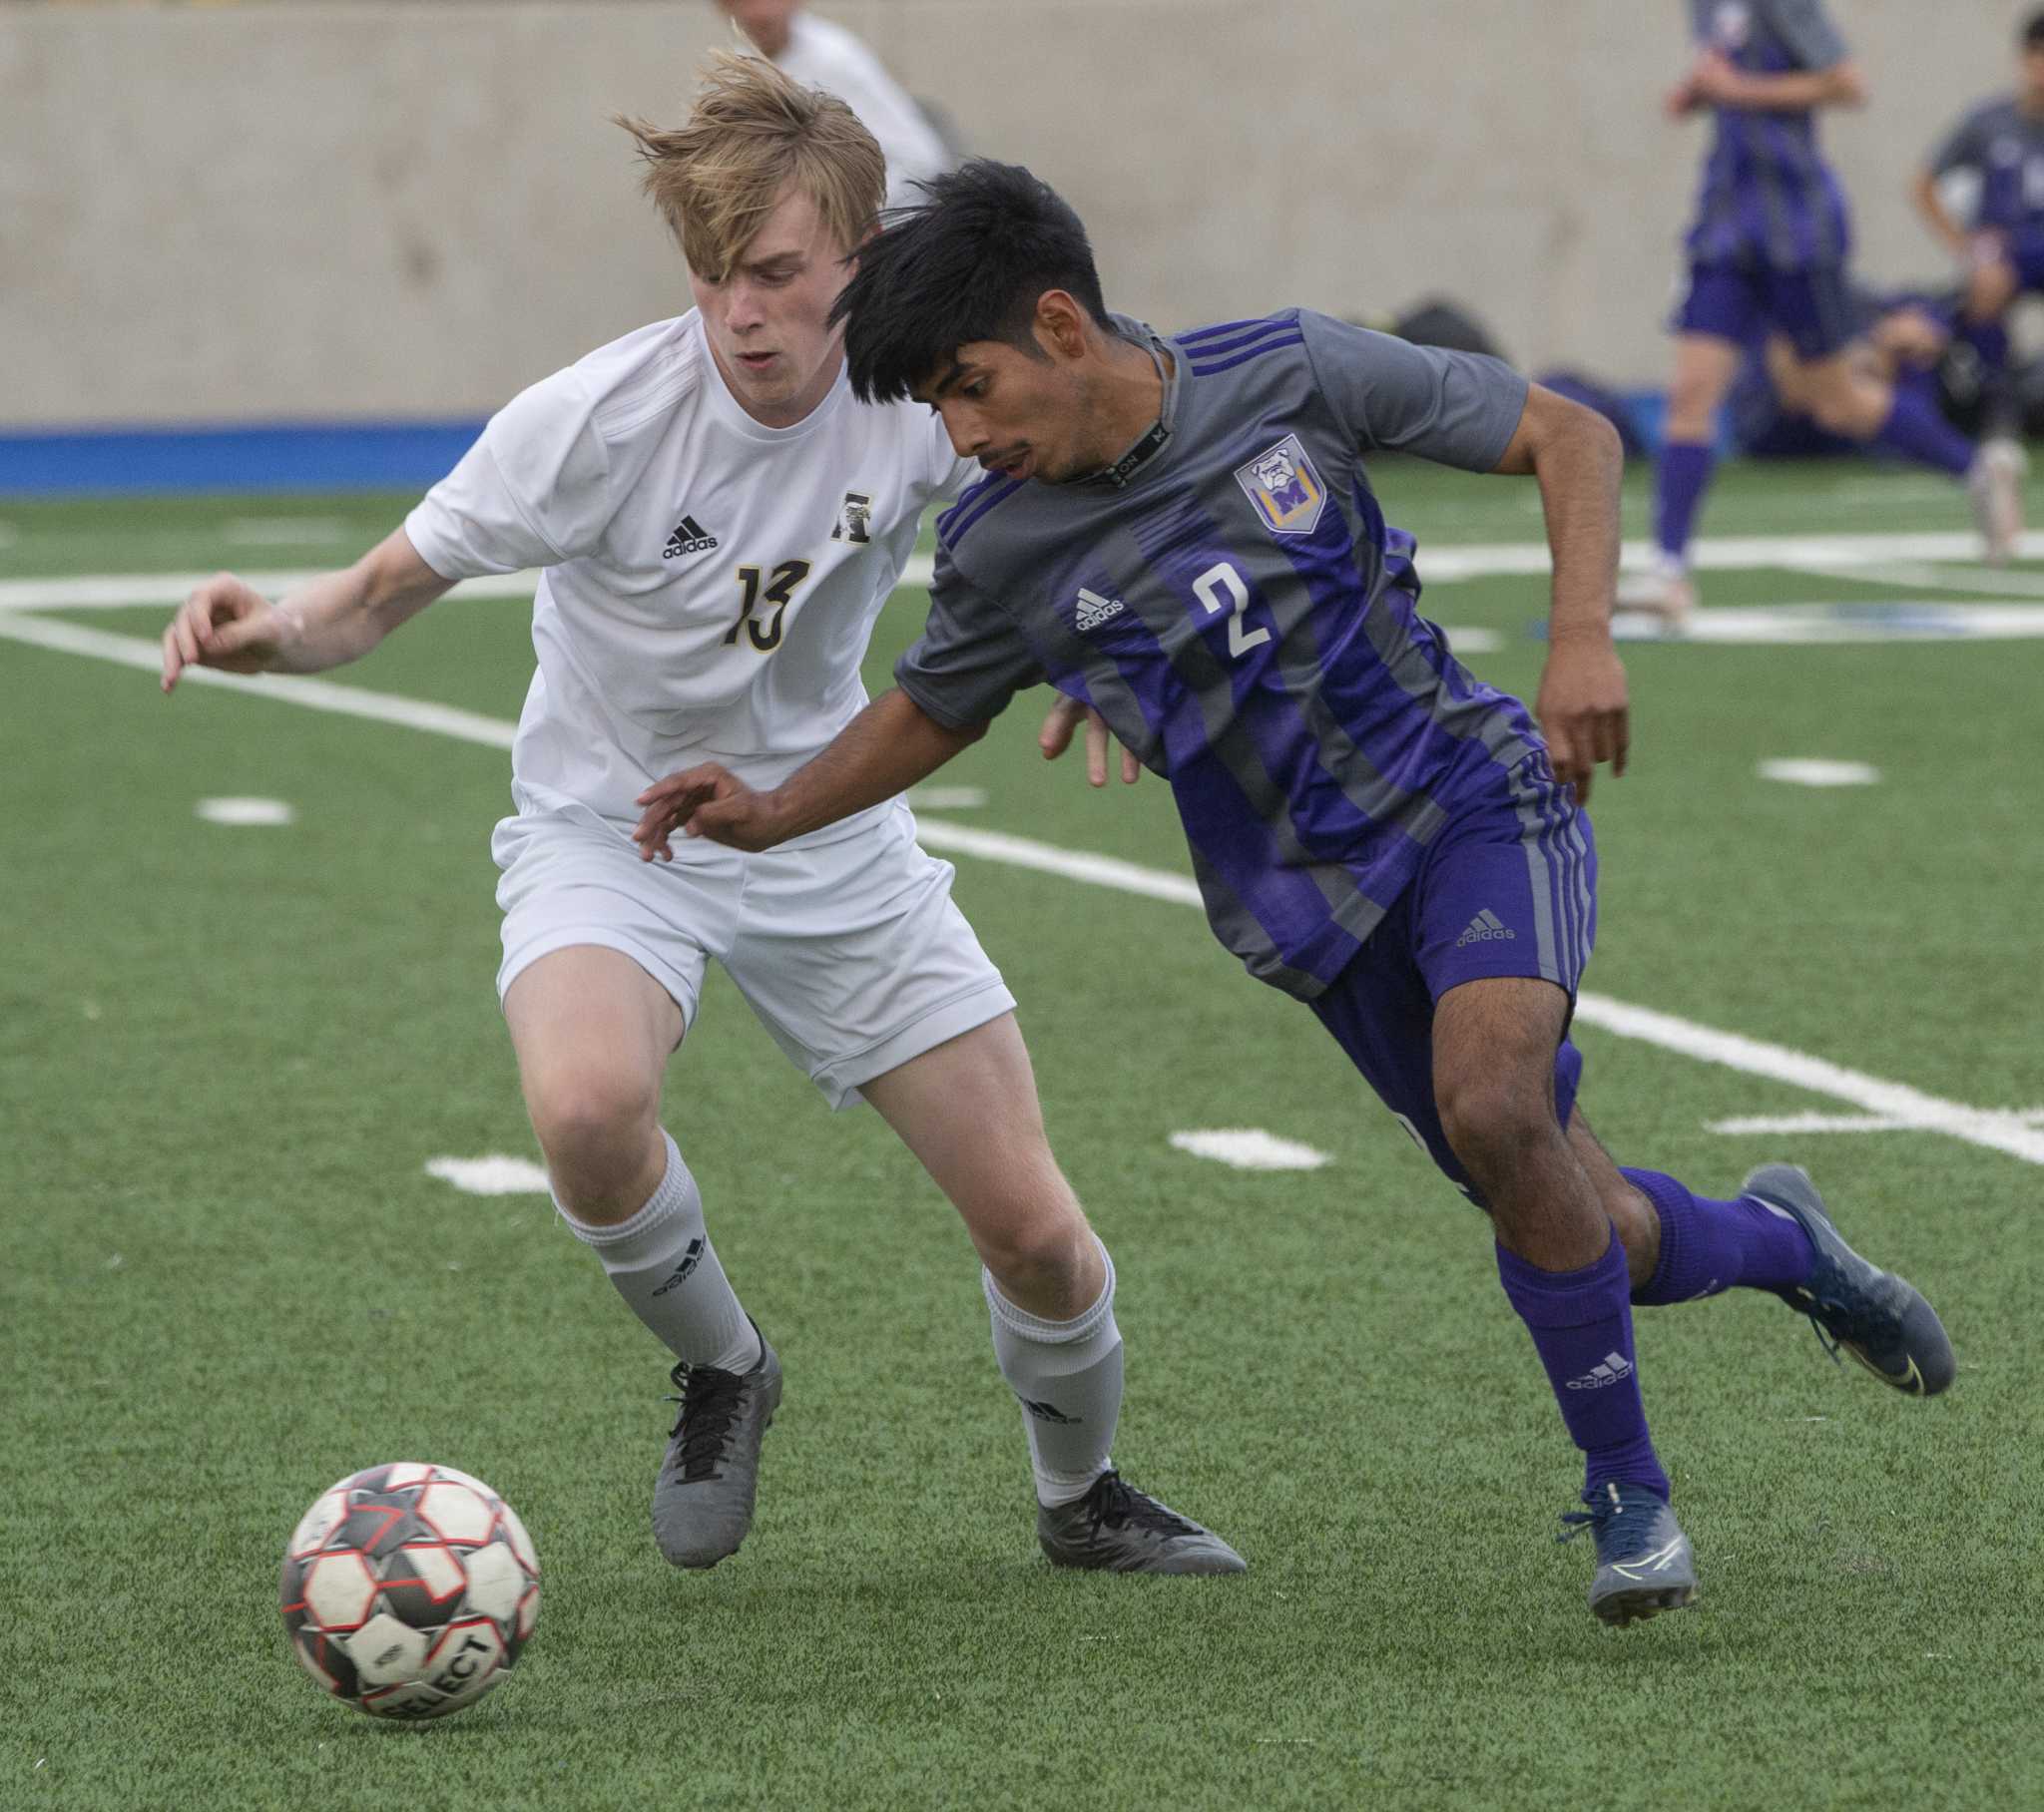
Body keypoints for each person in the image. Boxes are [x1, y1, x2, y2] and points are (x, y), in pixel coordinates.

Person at [631, 160, 1958, 1627]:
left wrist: (1584, 639)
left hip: (1472, 802)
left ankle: (1633, 1503)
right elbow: (933, 711)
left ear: (1063, 326)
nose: (962, 434)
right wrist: (767, 812)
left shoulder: (1290, 370)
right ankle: (1786, 1246)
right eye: (936, 411)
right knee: (1578, 1214)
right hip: (1315, 925)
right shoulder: (1002, 544)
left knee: (1496, 1105)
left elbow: (1568, 435)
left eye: (969, 388)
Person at [158, 61, 1241, 1579]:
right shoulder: (594, 419)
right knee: (588, 1111)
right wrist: (258, 627)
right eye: (719, 275)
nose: (745, 311)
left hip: (827, 832)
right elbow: (375, 598)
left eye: (783, 273)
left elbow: (1086, 483)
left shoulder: (925, 397)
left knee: (1041, 1236)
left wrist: (1115, 650)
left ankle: (1083, 1499)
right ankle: (725, 1367)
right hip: (616, 832)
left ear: (857, 263)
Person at [1636, 0, 2022, 627]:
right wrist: (1702, 95)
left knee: (1836, 399)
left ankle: (1973, 468)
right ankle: (1667, 569)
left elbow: (1846, 83)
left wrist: (1738, 89)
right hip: (1724, 223)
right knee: (1691, 390)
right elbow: (1731, 80)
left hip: (1795, 228)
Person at [1911, 7, 2044, 438]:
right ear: (2025, 59)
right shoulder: (1990, 123)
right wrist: (1963, 245)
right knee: (1986, 281)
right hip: (2007, 248)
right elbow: (1924, 183)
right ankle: (1996, 404)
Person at [714, 0, 954, 210]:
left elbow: (920, 160)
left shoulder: (835, 59)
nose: (762, 12)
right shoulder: (732, 71)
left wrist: (848, 218)